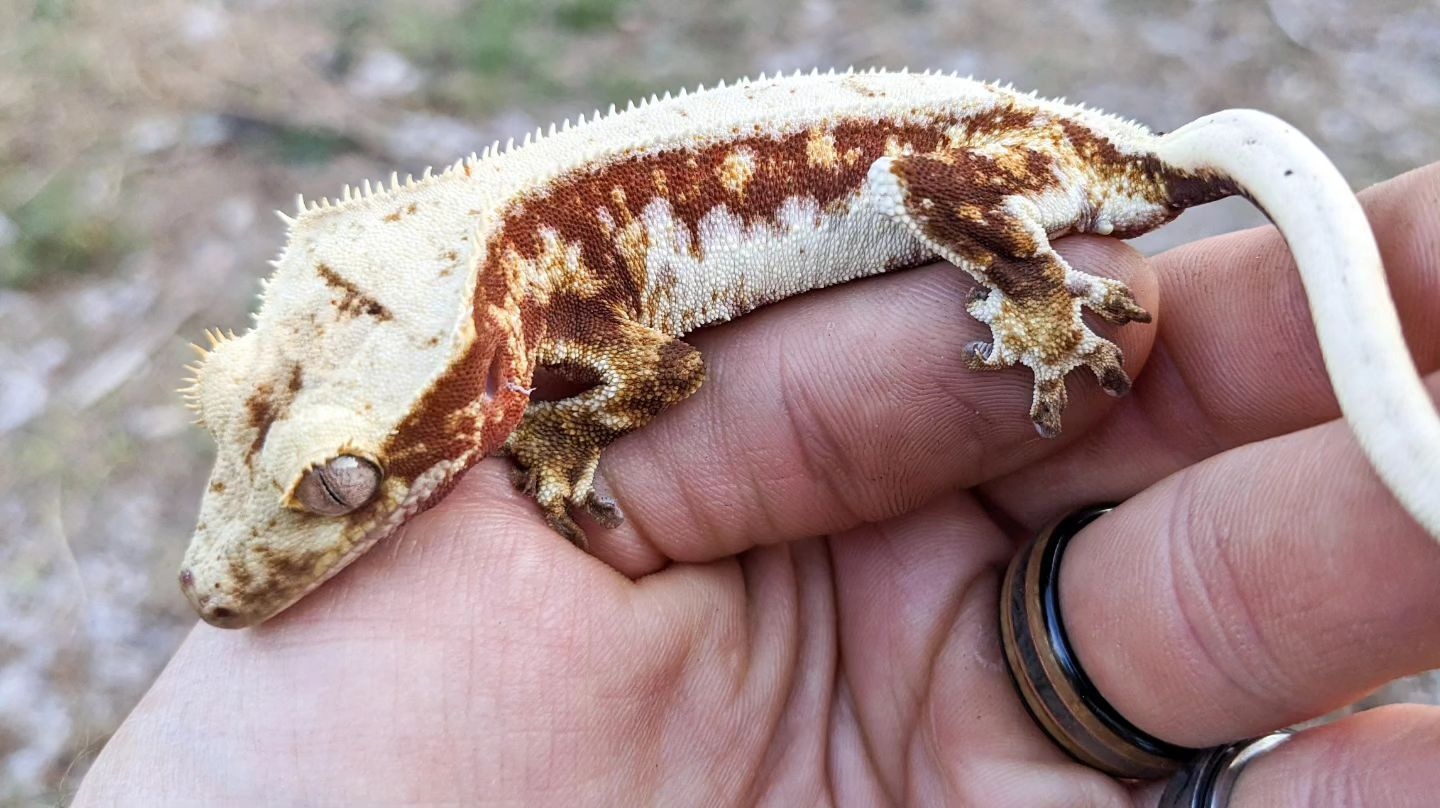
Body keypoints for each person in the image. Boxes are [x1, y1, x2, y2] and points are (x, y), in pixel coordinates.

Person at [76, 164, 1440, 806]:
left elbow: (659, 383)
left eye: (346, 481)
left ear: (473, 382)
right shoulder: (489, 322)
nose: (222, 578)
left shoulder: (534, 336)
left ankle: (1038, 301)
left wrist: (554, 438)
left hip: (981, 181)